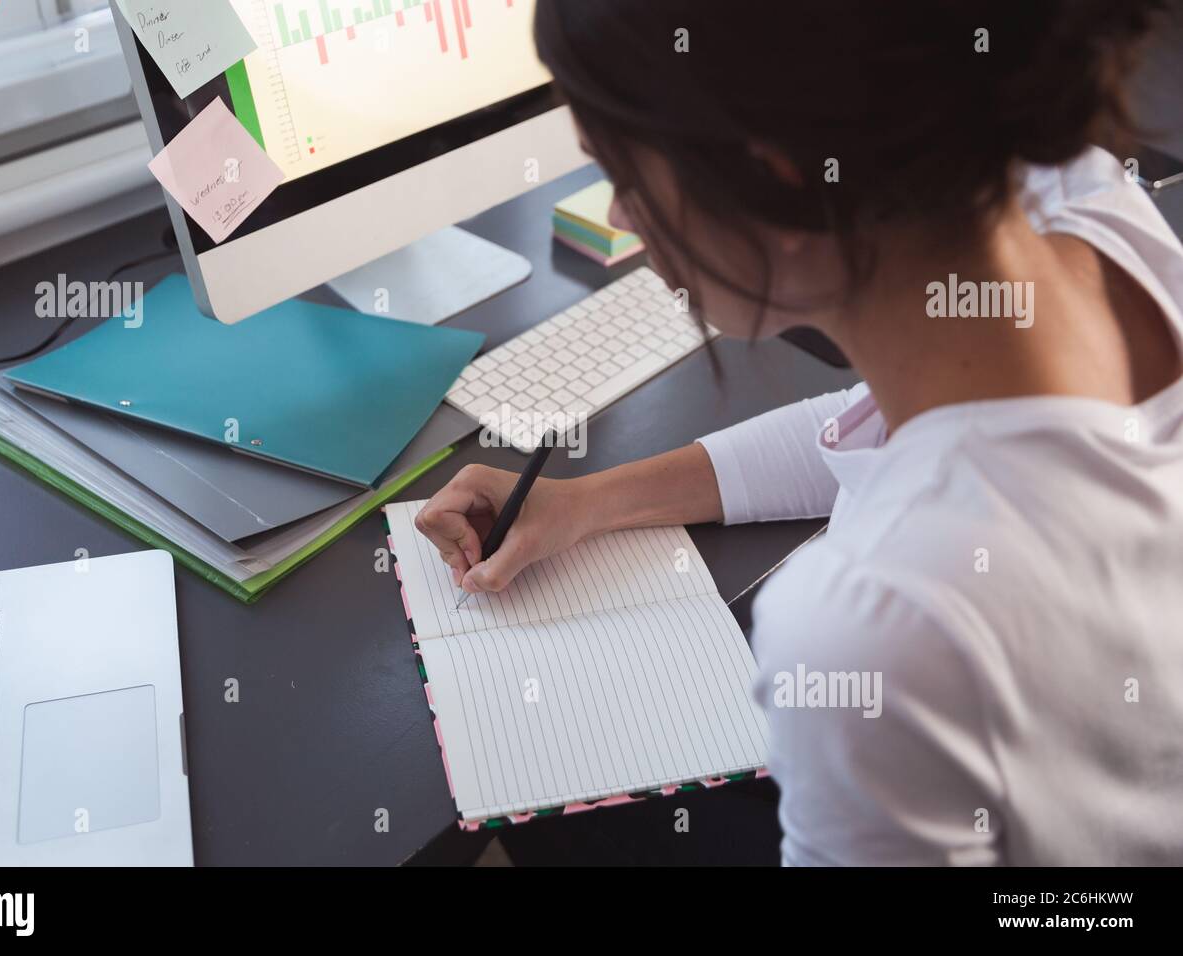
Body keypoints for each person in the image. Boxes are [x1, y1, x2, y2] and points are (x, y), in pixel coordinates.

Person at [414, 0, 1183, 864]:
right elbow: (883, 429)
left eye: (623, 175)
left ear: (776, 178)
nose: (623, 219)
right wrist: (586, 503)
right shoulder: (1080, 197)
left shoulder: (881, 622)